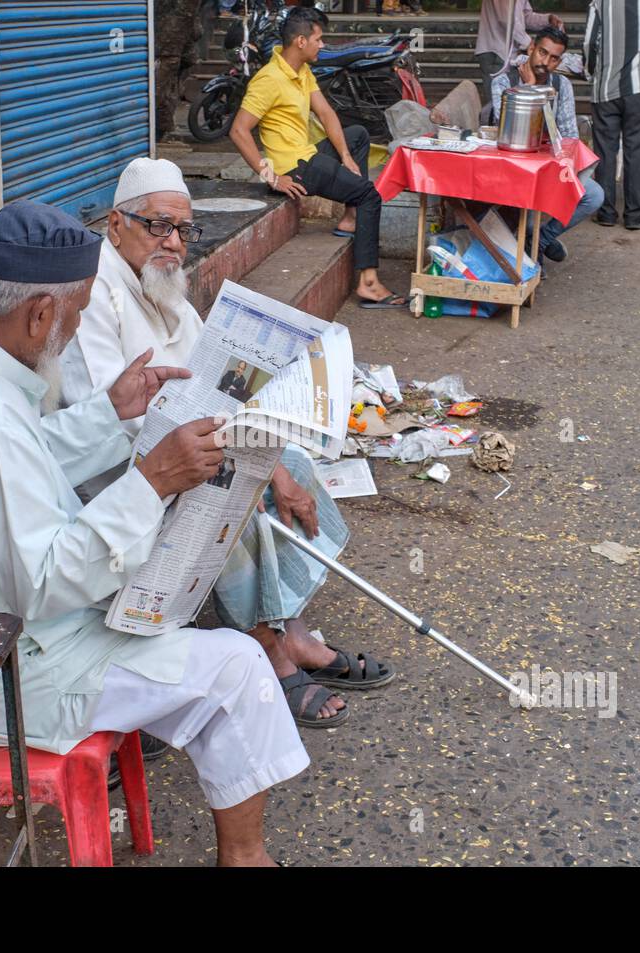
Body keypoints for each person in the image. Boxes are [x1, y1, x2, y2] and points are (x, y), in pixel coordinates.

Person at [0, 200, 310, 866]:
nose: (75, 329)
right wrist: (153, 482)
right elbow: (46, 581)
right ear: (40, 314)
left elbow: (27, 459)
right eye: (76, 313)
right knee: (238, 667)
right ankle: (246, 860)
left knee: (174, 623)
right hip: (2, 676)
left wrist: (111, 413)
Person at [61, 157, 396, 730]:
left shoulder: (161, 283)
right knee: (225, 490)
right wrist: (250, 467)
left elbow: (214, 383)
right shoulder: (96, 295)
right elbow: (106, 418)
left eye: (184, 231)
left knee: (288, 460)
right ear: (116, 225)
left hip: (188, 444)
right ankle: (265, 645)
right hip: (114, 468)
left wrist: (274, 467)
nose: (173, 242)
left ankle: (290, 629)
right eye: (157, 226)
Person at [229, 5, 407, 309]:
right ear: (301, 41)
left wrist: (346, 156)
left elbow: (326, 113)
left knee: (357, 135)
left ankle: (350, 219)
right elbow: (239, 131)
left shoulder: (301, 71)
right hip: (294, 169)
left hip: (308, 155)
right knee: (369, 195)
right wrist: (272, 177)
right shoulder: (268, 79)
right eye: (318, 40)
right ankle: (369, 283)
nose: (321, 45)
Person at [488, 26, 604, 267]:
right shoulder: (504, 81)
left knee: (593, 196)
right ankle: (535, 240)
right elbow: (506, 126)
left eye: (553, 58)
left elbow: (570, 135)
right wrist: (529, 88)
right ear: (531, 48)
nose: (545, 62)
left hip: (549, 167)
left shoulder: (562, 85)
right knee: (529, 220)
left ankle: (540, 241)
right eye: (542, 52)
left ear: (559, 60)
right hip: (514, 170)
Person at [584, 0, 640, 230]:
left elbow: (589, 43)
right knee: (636, 151)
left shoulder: (599, 3)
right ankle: (635, 216)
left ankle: (606, 213)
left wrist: (592, 73)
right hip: (639, 88)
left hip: (605, 90)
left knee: (605, 151)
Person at [475, 0, 564, 88]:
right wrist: (530, 44)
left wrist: (547, 19)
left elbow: (526, 16)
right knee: (499, 97)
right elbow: (507, 20)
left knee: (512, 94)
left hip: (511, 54)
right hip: (496, 52)